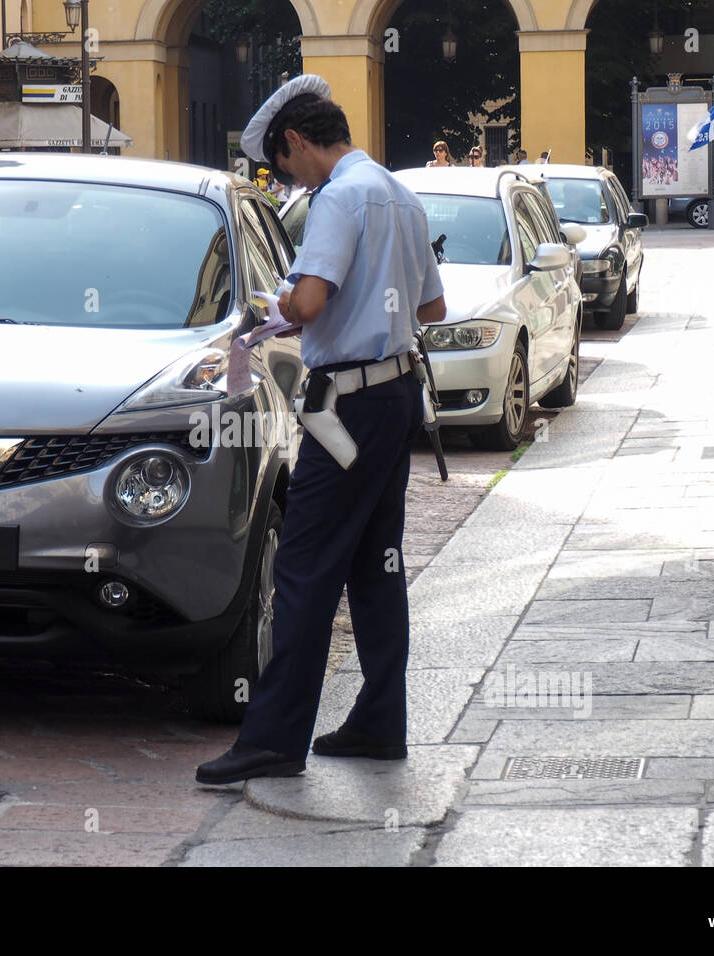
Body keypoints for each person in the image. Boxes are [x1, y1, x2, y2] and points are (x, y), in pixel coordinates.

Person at [195, 74, 447, 785]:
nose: (289, 181)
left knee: (303, 570)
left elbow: (306, 302)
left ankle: (273, 740)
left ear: (299, 141)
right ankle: (378, 722)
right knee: (377, 566)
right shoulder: (398, 192)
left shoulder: (339, 197)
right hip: (396, 394)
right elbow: (431, 307)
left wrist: (268, 304)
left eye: (283, 166)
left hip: (346, 405)